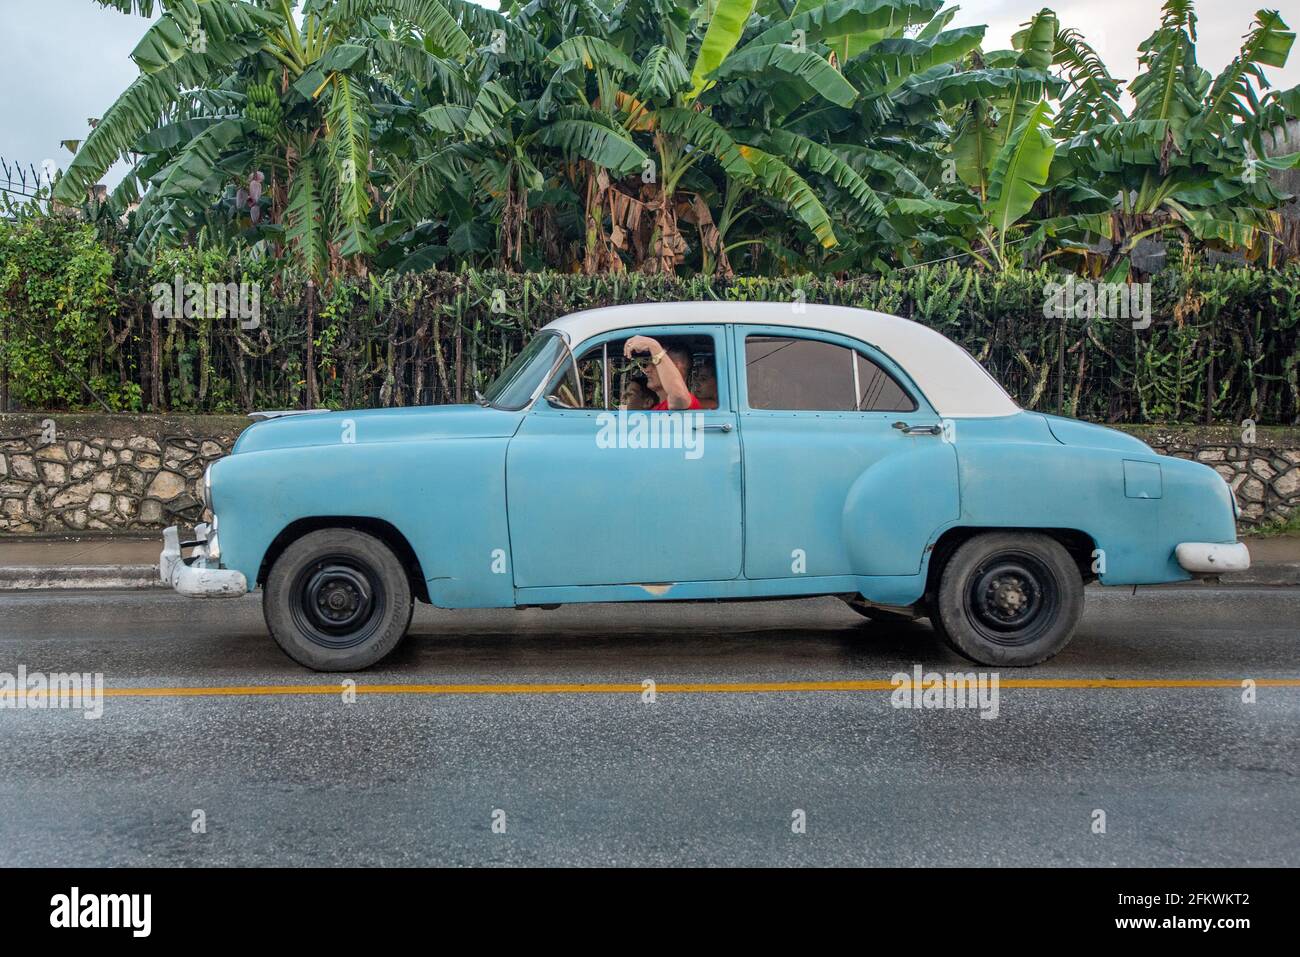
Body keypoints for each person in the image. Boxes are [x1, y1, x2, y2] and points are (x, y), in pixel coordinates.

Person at [623, 335, 701, 411]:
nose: (647, 369)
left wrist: (653, 346)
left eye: (656, 363)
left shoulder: (688, 402)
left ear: (677, 369)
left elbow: (678, 396)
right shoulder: (657, 409)